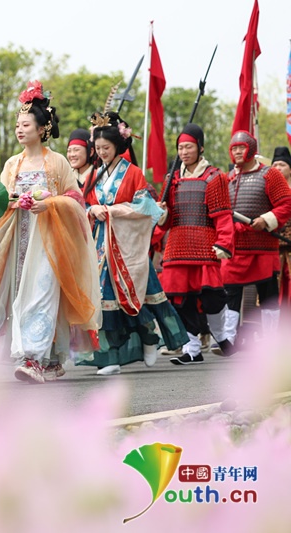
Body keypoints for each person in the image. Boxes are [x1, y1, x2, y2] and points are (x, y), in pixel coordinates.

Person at [0, 82, 100, 383]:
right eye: (17, 124)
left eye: (26, 124)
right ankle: (51, 358)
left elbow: (75, 199)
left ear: (43, 128)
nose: (20, 129)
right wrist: (11, 202)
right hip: (18, 237)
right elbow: (2, 201)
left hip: (49, 238)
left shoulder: (57, 162)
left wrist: (49, 203)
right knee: (22, 294)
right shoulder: (12, 164)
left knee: (42, 294)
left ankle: (34, 358)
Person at [80, 111, 187, 375]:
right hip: (100, 244)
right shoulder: (93, 173)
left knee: (139, 293)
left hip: (127, 244)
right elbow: (83, 202)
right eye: (98, 148)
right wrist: (91, 210)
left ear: (118, 146)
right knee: (104, 297)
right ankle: (111, 356)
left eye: (106, 147)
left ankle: (150, 338)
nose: (101, 152)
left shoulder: (133, 173)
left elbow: (144, 206)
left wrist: (114, 210)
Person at [157, 124, 236, 365]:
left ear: (200, 147)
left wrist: (224, 243)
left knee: (212, 299)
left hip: (204, 247)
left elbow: (222, 215)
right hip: (177, 246)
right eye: (180, 147)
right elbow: (166, 220)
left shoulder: (215, 177)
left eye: (188, 146)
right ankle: (192, 348)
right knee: (180, 300)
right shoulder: (172, 179)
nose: (183, 151)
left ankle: (221, 335)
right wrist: (160, 213)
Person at [222, 132, 291, 338]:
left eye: (241, 147)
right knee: (230, 290)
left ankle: (270, 340)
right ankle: (228, 338)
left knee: (267, 292)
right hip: (236, 246)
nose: (237, 152)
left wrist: (267, 219)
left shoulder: (269, 174)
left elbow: (286, 204)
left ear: (251, 149)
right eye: (234, 148)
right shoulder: (228, 178)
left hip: (264, 246)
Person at [271, 146, 291, 307]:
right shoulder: (266, 192)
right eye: (275, 165)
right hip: (272, 249)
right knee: (273, 294)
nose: (278, 168)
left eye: (282, 165)